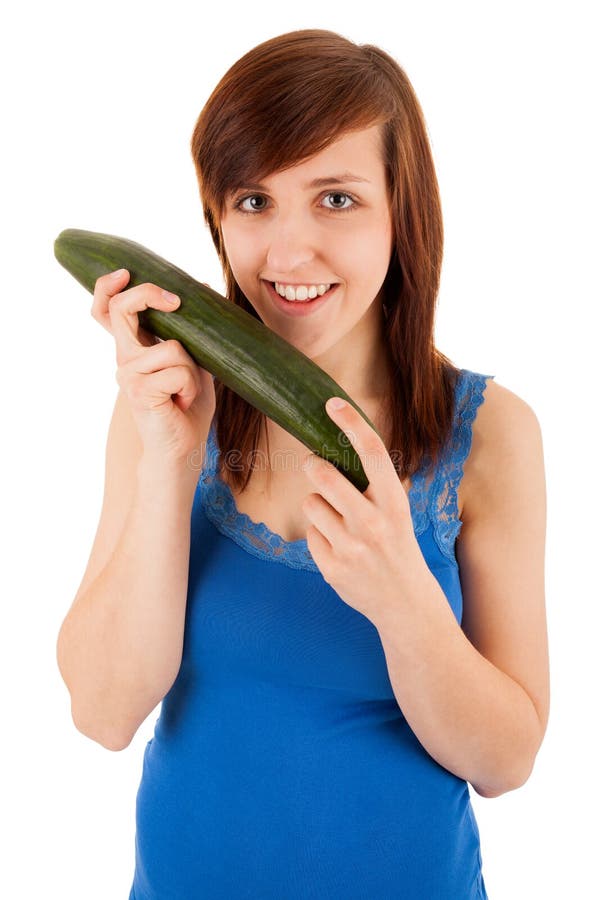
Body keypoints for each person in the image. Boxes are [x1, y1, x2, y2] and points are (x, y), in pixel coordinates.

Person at [56, 29, 549, 900]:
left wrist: (404, 599)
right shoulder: (159, 413)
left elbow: (506, 763)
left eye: (336, 199)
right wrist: (170, 463)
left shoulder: (491, 435)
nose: (287, 255)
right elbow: (101, 714)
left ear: (405, 212)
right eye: (253, 201)